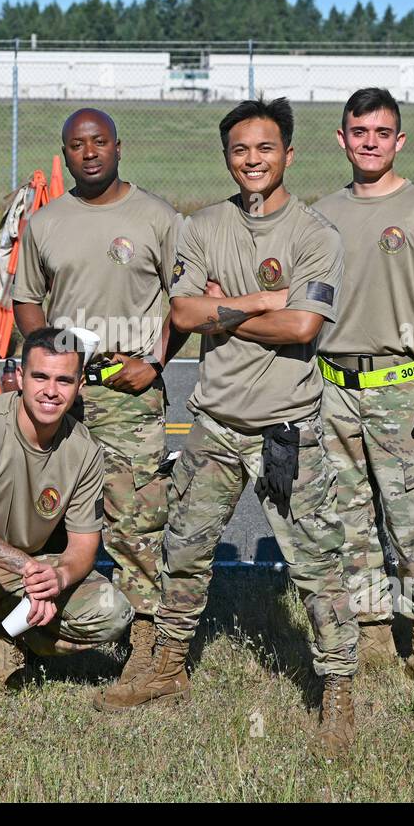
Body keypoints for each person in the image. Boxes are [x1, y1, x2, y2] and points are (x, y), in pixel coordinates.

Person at [93, 97, 360, 757]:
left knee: (317, 565)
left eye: (265, 148)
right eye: (240, 150)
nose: (252, 160)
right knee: (184, 549)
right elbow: (182, 312)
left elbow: (303, 327)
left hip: (284, 430)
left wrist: (225, 308)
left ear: (288, 155)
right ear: (227, 157)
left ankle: (338, 691)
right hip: (214, 423)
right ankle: (169, 668)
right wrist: (259, 301)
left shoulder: (315, 235)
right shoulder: (203, 227)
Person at [12, 107, 185, 685]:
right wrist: (49, 361)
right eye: (77, 145)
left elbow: (185, 304)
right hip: (63, 394)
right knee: (52, 511)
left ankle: (145, 639)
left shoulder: (157, 217)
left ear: (118, 147)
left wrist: (154, 363)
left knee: (134, 519)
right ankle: (33, 626)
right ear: (64, 155)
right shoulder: (46, 222)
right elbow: (27, 299)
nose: (89, 153)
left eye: (100, 142)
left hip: (128, 392)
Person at [314, 87, 414, 699]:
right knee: (348, 522)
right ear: (341, 139)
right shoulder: (319, 213)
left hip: (401, 387)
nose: (369, 142)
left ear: (398, 141)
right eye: (359, 131)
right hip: (331, 389)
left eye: (381, 132)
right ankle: (373, 631)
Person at [0, 326, 134, 726]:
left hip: (29, 567)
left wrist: (56, 578)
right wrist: (27, 568)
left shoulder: (85, 451)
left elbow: (84, 546)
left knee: (113, 611)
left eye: (64, 380)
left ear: (78, 387)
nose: (51, 391)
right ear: (20, 378)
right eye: (40, 377)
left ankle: (7, 633)